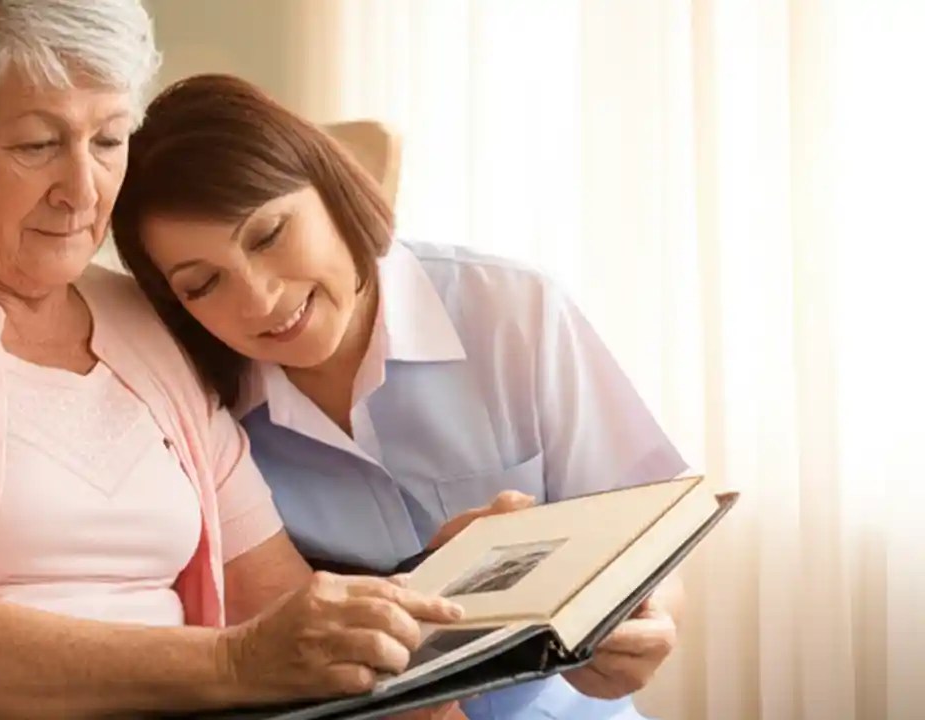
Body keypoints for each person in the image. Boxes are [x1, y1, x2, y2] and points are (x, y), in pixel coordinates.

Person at [0, 5, 468, 719]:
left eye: (109, 140)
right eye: (38, 145)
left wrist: (414, 648)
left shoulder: (144, 314)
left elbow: (270, 595)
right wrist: (230, 667)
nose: (83, 192)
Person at [110, 73, 691, 720]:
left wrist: (647, 625)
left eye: (270, 235)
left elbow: (653, 536)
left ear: (330, 187)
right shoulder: (198, 412)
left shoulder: (513, 313)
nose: (260, 300)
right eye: (202, 284)